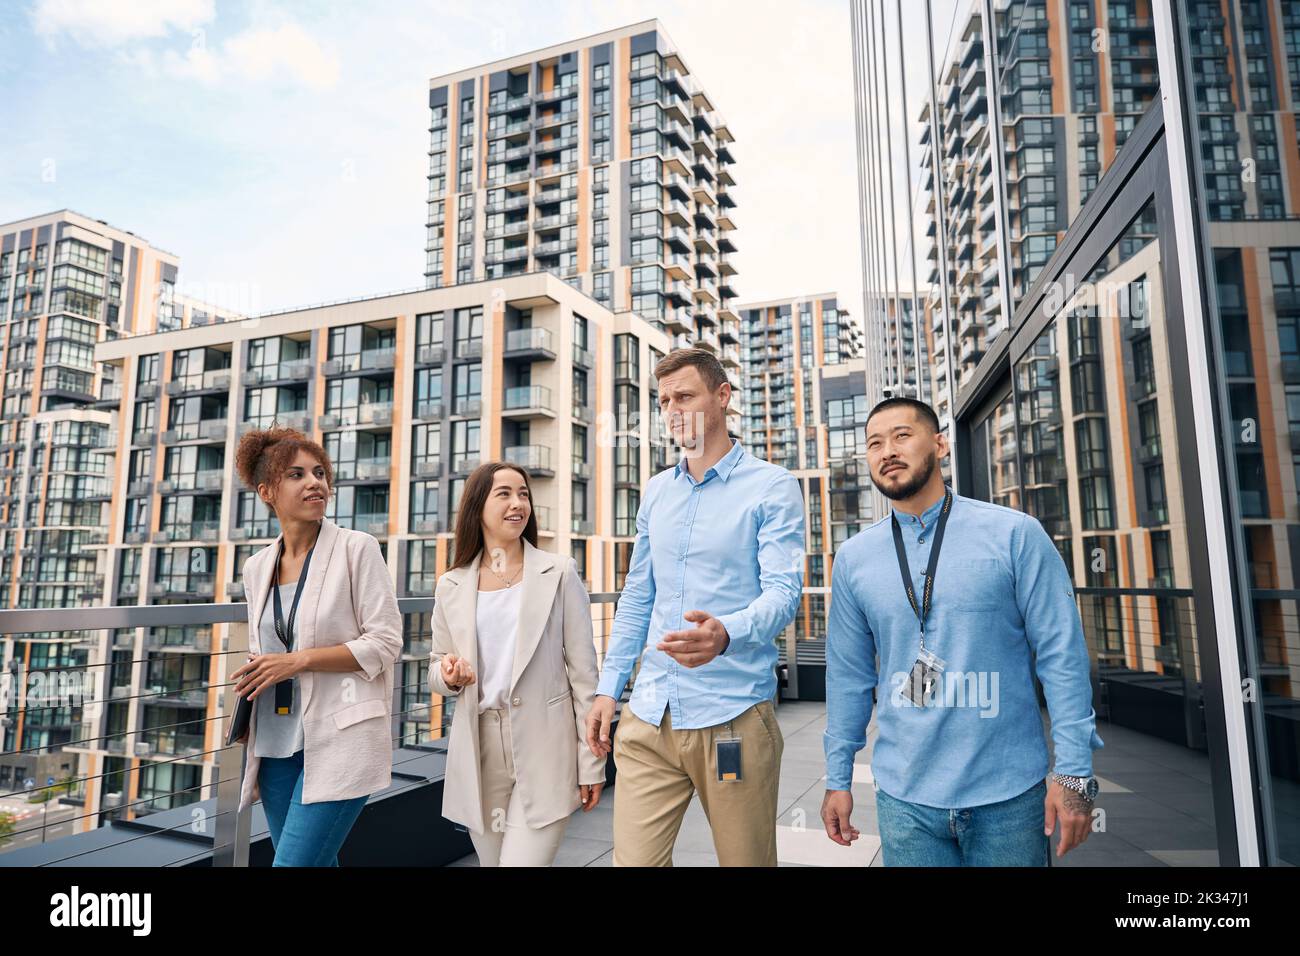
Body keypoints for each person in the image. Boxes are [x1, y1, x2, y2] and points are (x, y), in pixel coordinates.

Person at [821, 397, 1103, 866]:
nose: (887, 450)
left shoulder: (1014, 535)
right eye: (874, 443)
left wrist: (1074, 774)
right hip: (904, 798)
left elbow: (1062, 654)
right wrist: (837, 778)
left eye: (902, 435)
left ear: (940, 444)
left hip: (1008, 794)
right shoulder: (854, 559)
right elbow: (848, 676)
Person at [585, 347, 804, 867]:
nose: (672, 411)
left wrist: (725, 632)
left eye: (684, 396)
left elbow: (783, 593)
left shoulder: (773, 488)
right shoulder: (657, 492)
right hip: (648, 718)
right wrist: (607, 688)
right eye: (664, 402)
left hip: (731, 718)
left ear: (723, 397)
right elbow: (638, 595)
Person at [230, 426, 404, 867]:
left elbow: (385, 642)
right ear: (267, 491)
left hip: (341, 739)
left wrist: (298, 661)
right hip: (274, 745)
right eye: (297, 474)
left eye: (320, 473)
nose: (315, 483)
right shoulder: (256, 568)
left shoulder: (356, 549)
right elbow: (266, 646)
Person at [430, 462, 606, 866]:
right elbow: (436, 666)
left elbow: (584, 678)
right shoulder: (452, 584)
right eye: (504, 494)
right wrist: (449, 675)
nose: (518, 503)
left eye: (523, 493)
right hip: (479, 748)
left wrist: (591, 765)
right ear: (478, 507)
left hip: (546, 745)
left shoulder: (558, 572)